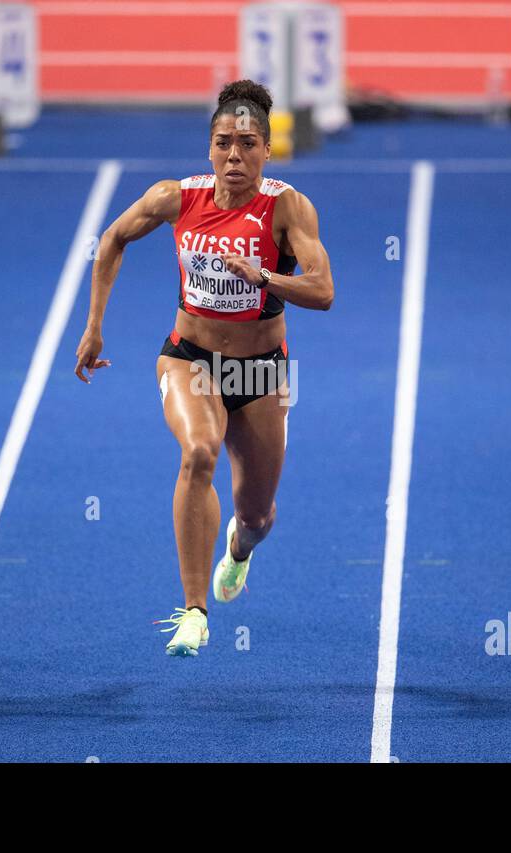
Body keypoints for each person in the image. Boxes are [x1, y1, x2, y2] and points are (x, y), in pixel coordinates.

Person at [74, 80, 334, 656]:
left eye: (247, 144)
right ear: (209, 147)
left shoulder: (287, 208)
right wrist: (94, 325)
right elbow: (113, 238)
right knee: (198, 452)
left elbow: (323, 291)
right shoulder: (176, 197)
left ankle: (239, 551)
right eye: (223, 143)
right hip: (190, 357)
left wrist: (264, 276)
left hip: (260, 371)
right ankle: (194, 611)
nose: (234, 156)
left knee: (258, 515)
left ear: (267, 150)